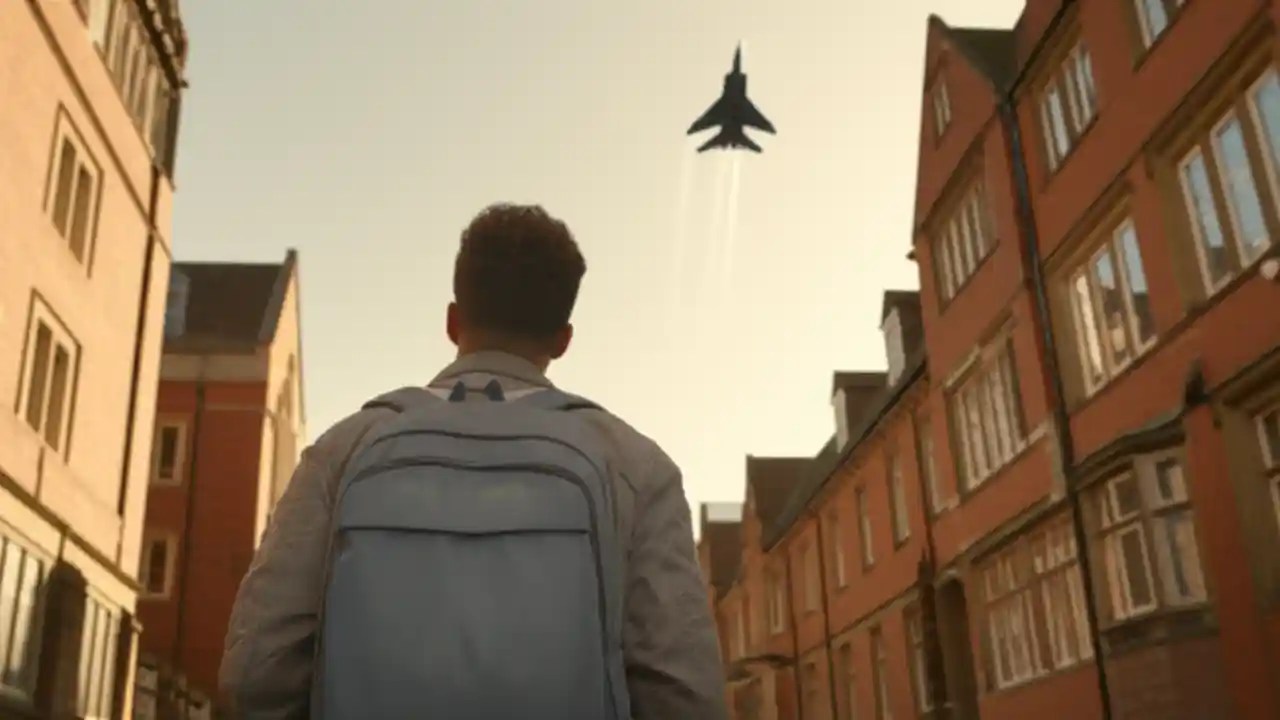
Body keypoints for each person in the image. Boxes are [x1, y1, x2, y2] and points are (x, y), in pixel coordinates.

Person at [219, 203, 729, 719]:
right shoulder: (635, 466)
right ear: (563, 339)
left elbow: (256, 673)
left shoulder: (343, 450)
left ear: (452, 320)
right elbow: (685, 693)